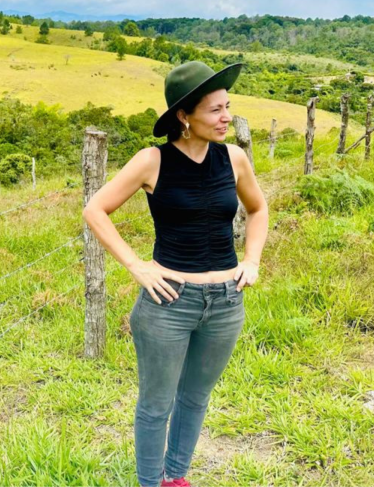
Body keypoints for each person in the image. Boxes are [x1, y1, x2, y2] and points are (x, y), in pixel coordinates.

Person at [83, 61, 269, 487]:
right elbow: (95, 209)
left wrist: (252, 260)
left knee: (196, 397)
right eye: (214, 111)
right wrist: (136, 266)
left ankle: (176, 478)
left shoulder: (234, 158)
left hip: (225, 302)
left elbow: (258, 209)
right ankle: (151, 482)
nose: (226, 118)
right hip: (168, 303)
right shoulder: (152, 161)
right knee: (156, 404)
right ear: (184, 117)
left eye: (228, 107)